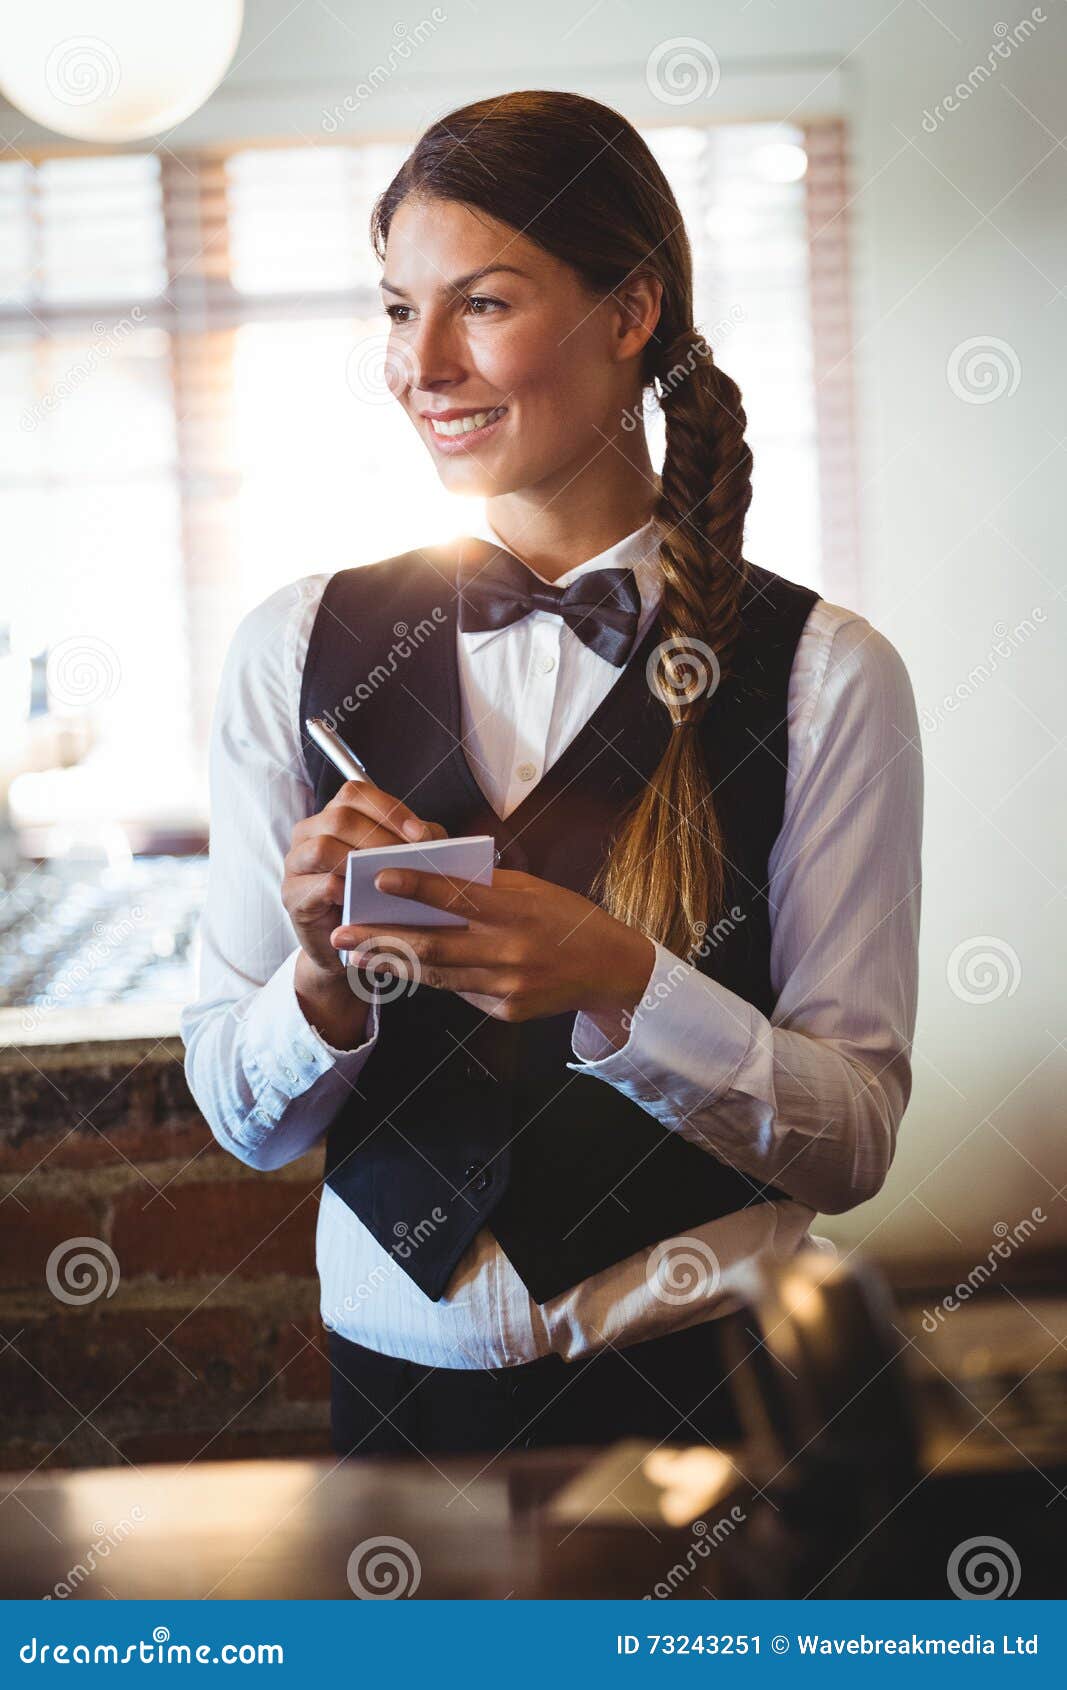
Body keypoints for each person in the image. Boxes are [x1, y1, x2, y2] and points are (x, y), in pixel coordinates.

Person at [181, 90, 923, 1464]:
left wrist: (625, 988)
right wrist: (323, 983)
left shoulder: (829, 675)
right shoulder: (288, 648)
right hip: (393, 1404)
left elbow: (857, 1138)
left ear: (629, 310)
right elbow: (241, 1113)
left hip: (708, 1385)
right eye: (401, 310)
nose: (423, 364)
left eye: (485, 303)